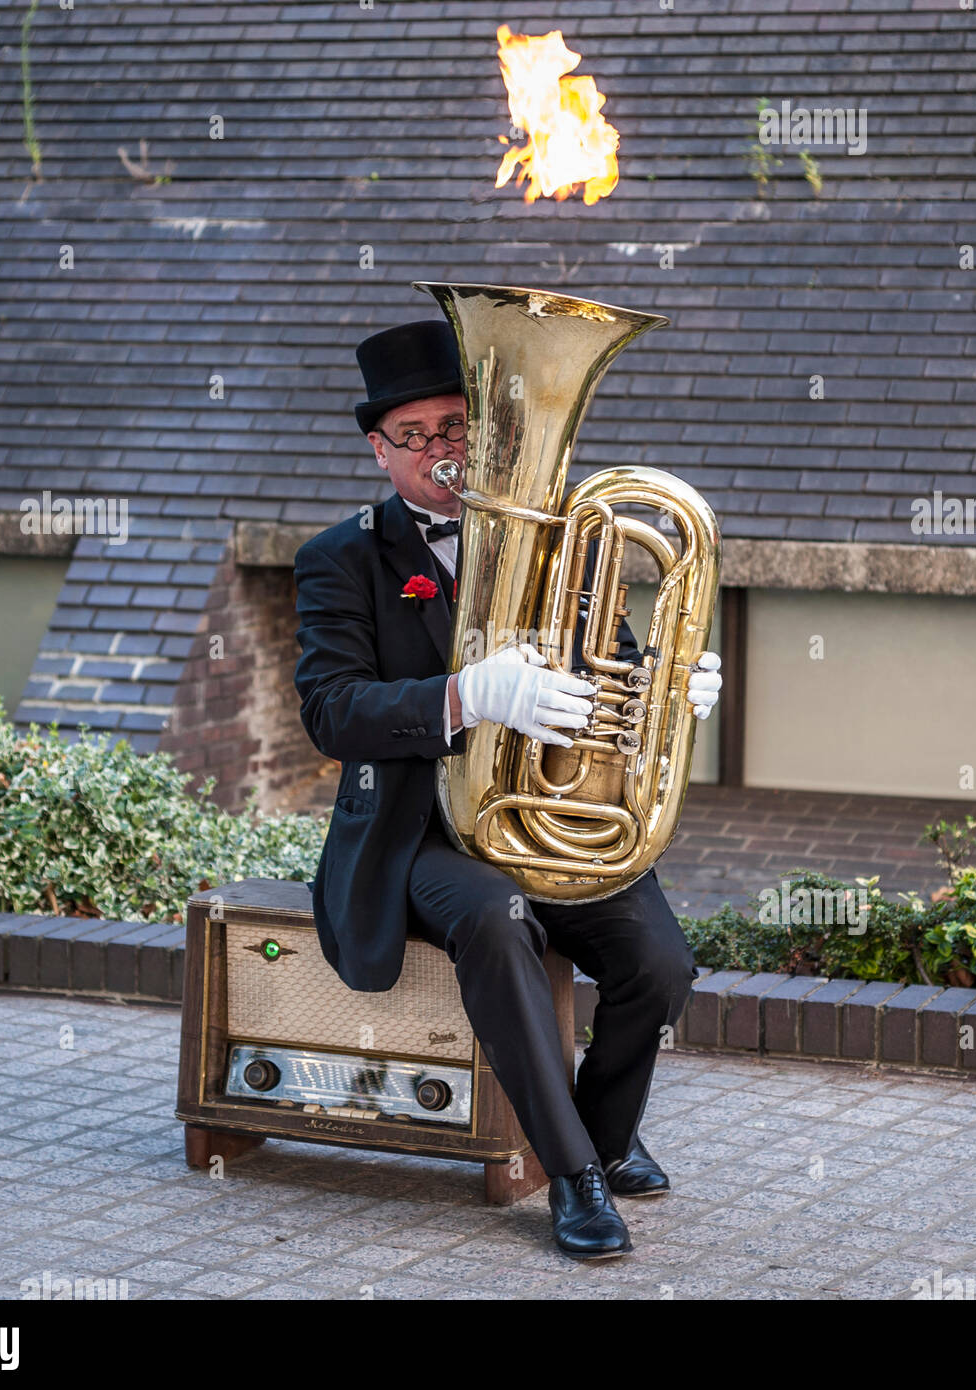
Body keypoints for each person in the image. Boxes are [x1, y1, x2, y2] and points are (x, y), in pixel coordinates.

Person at [293, 317, 722, 1260]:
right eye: (417, 435)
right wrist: (464, 695)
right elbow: (330, 711)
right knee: (496, 921)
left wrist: (669, 682)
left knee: (660, 965)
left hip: (540, 815)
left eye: (457, 427)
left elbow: (606, 656)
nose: (441, 450)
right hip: (421, 836)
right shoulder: (343, 558)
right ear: (380, 449)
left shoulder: (557, 532)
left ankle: (604, 1136)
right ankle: (573, 1179)